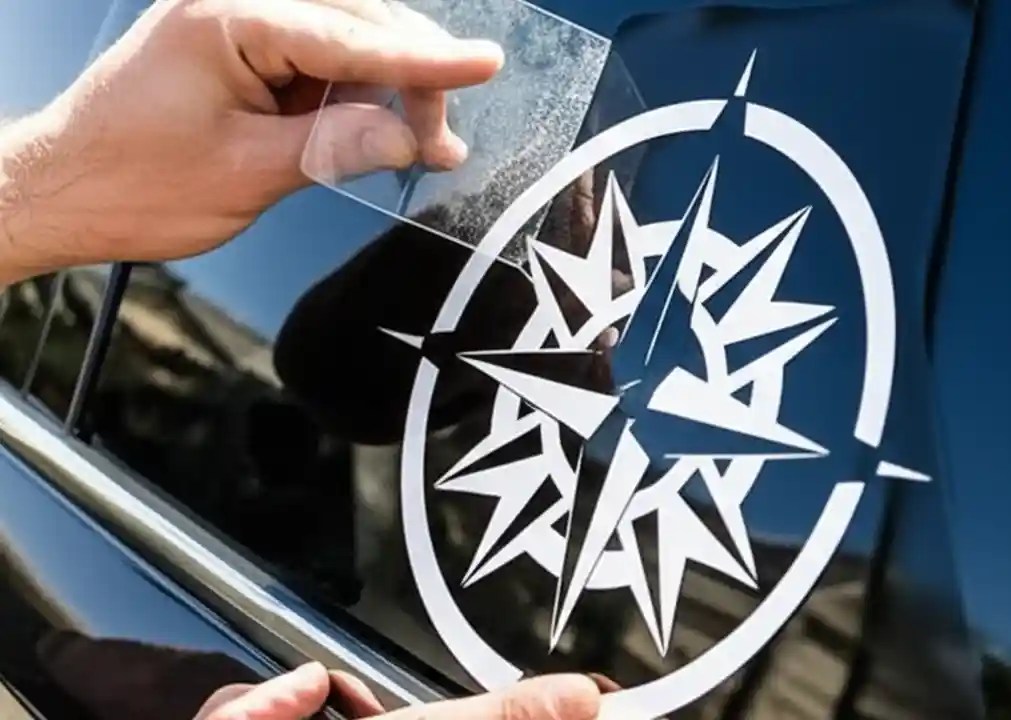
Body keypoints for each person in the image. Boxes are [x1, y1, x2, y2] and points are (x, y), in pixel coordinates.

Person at [0, 0, 607, 718]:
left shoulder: (611, 365)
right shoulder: (442, 265)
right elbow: (326, 367)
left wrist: (53, 177)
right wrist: (55, 178)